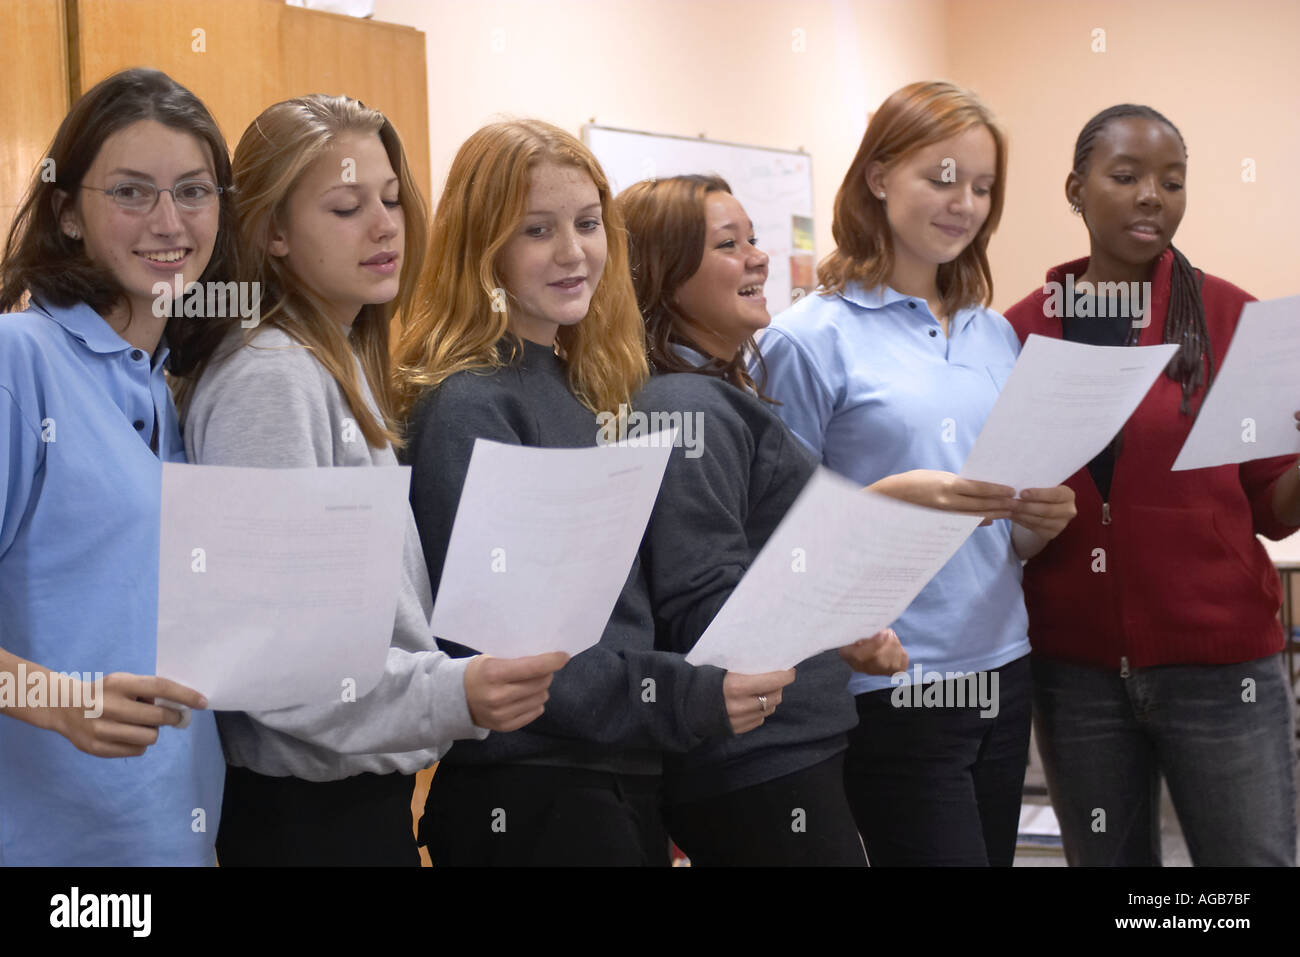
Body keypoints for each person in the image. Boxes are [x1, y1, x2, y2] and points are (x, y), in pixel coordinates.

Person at [391, 119, 795, 866]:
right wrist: (690, 697)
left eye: (587, 224)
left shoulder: (582, 386)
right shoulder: (472, 403)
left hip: (615, 779)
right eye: (537, 230)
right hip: (535, 795)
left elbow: (614, 616)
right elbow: (507, 645)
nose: (573, 252)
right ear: (484, 246)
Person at [179, 95, 566, 866]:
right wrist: (452, 692)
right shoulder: (271, 377)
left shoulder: (339, 360)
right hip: (304, 818)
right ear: (273, 231)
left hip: (359, 807)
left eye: (391, 199)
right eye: (347, 207)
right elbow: (278, 661)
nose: (386, 225)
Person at [759, 80, 1077, 866]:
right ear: (878, 176)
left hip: (1004, 663)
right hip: (893, 683)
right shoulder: (808, 338)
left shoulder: (993, 334)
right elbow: (778, 538)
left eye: (982, 186)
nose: (963, 203)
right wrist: (896, 505)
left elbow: (1003, 536)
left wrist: (1037, 525)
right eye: (941, 177)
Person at [1003, 103, 1300, 866]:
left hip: (1221, 667)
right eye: (1126, 176)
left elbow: (1272, 506)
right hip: (1075, 672)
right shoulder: (1020, 332)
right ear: (1076, 187)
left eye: (1172, 182)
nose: (1151, 197)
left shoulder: (1232, 316)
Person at [618, 173, 908, 865]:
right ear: (662, 273)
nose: (758, 257)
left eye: (753, 237)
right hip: (758, 757)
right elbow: (706, 598)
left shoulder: (716, 394)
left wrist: (843, 627)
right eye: (728, 244)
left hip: (779, 748)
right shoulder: (682, 406)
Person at [0, 68, 230, 865]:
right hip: (53, 854)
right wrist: (56, 699)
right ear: (67, 212)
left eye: (194, 191)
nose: (169, 222)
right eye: (132, 192)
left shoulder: (165, 383)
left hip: (170, 834)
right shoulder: (18, 360)